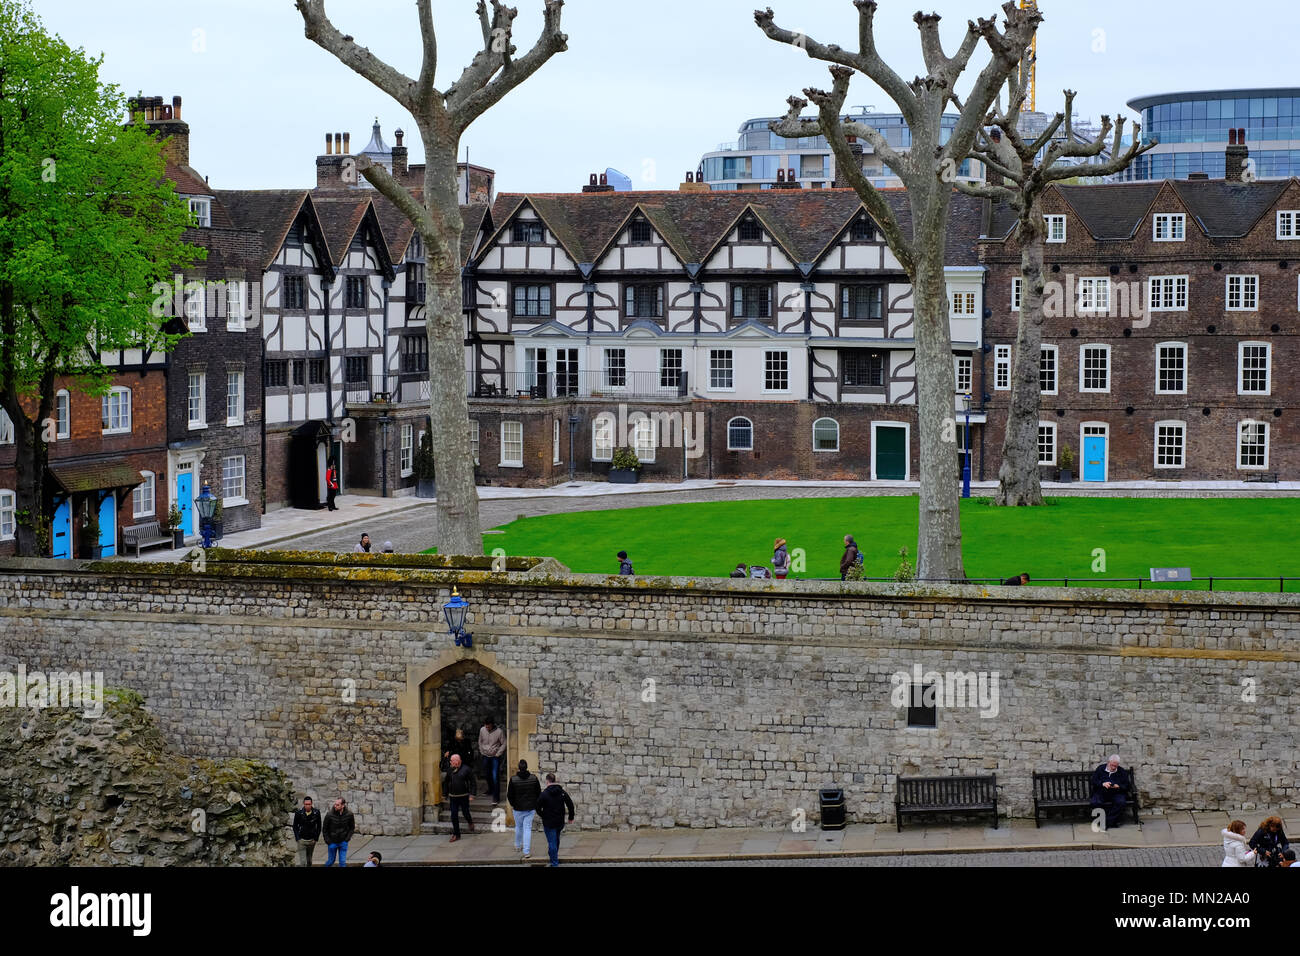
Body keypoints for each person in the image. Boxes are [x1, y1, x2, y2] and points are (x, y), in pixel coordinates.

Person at [536, 772, 576, 867]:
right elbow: (570, 805)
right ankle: (553, 856)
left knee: (552, 842)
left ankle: (554, 863)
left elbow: (537, 807)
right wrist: (571, 817)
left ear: (547, 781)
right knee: (556, 839)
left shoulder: (544, 794)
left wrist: (543, 815)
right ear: (555, 780)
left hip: (549, 822)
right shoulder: (562, 792)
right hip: (559, 821)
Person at [507, 759, 542, 860]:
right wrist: (535, 804)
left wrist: (513, 804)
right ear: (526, 767)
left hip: (518, 808)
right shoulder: (533, 778)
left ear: (519, 767)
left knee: (518, 827)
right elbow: (538, 793)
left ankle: (517, 846)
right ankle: (526, 851)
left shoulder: (513, 779)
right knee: (527, 829)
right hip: (530, 808)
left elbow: (510, 795)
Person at [1089, 754, 1132, 829]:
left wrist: (1118, 786)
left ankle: (1105, 822)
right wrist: (1102, 784)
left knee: (1121, 803)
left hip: (1116, 793)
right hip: (1101, 792)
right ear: (1108, 762)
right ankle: (1111, 822)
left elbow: (1127, 785)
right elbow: (1093, 781)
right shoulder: (1100, 769)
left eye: (1115, 766)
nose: (1113, 767)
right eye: (1112, 765)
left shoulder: (1121, 771)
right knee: (1095, 802)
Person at [444, 753, 476, 843]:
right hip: (453, 797)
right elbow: (446, 782)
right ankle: (456, 834)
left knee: (465, 812)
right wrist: (444, 794)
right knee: (454, 815)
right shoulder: (450, 770)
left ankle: (470, 822)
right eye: (452, 762)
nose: (453, 763)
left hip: (463, 796)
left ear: (459, 761)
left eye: (455, 762)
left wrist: (472, 795)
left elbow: (473, 782)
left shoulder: (466, 769)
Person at [479, 717, 506, 805]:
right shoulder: (482, 730)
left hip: (495, 756)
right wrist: (482, 751)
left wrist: (498, 753)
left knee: (495, 776)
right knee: (486, 774)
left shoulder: (499, 732)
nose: (487, 728)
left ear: (492, 725)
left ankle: (496, 798)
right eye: (486, 726)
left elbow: (504, 743)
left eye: (489, 726)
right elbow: (480, 741)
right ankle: (490, 790)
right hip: (485, 755)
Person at [322, 796, 355, 867]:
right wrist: (328, 841)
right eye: (335, 804)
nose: (335, 806)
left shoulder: (349, 814)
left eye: (337, 805)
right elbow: (325, 829)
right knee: (331, 861)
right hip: (332, 842)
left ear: (342, 805)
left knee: (342, 863)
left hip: (343, 842)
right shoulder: (329, 815)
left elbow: (352, 828)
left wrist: (347, 839)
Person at [292, 796, 322, 867]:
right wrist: (297, 838)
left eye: (309, 804)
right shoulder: (299, 813)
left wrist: (316, 838)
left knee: (309, 861)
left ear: (311, 804)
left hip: (311, 840)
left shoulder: (316, 813)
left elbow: (319, 826)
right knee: (303, 862)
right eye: (306, 804)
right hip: (302, 840)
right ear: (303, 804)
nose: (307, 806)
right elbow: (295, 826)